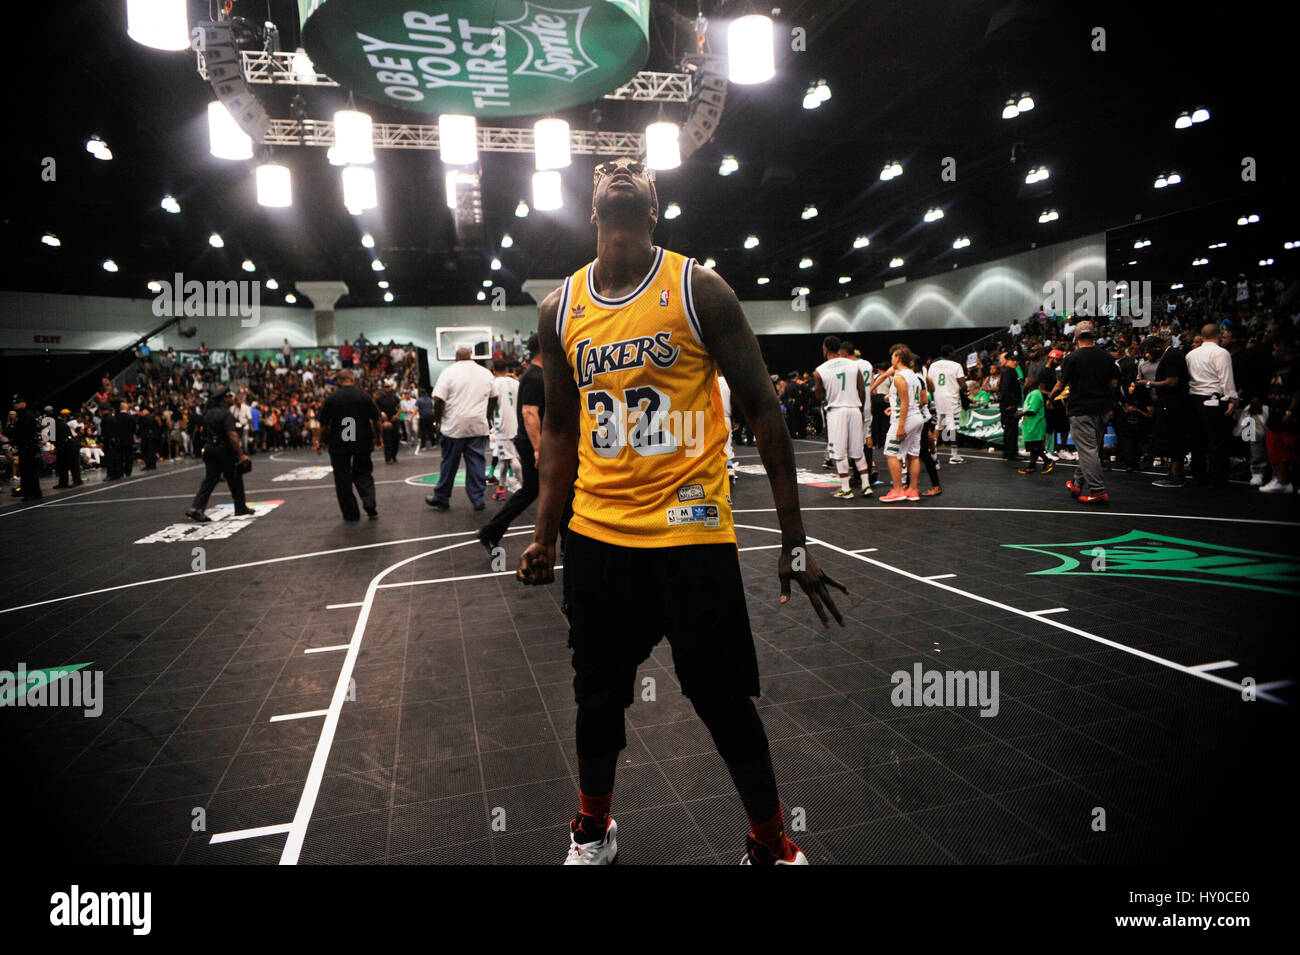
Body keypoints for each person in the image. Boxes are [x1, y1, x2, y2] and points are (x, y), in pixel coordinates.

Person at [516, 155, 846, 866]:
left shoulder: (699, 288)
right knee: (596, 701)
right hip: (599, 540)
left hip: (691, 537)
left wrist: (794, 542)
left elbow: (764, 410)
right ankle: (593, 828)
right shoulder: (559, 310)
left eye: (636, 167)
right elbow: (562, 434)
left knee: (725, 701)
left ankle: (771, 843)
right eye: (607, 166)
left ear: (656, 206)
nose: (621, 168)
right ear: (592, 206)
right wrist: (544, 534)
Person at [479, 337, 545, 551]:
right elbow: (529, 412)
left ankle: (492, 530)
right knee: (532, 489)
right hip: (528, 439)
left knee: (541, 491)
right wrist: (538, 447)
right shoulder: (533, 377)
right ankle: (491, 530)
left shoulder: (531, 376)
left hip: (520, 436)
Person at [1053, 322, 1117, 504]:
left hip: (1081, 410)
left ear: (1076, 336)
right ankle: (1076, 482)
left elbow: (1061, 385)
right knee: (1091, 450)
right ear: (1094, 336)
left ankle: (1098, 491)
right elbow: (1113, 384)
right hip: (1101, 410)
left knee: (1088, 451)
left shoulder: (1072, 358)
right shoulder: (1106, 357)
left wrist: (1051, 398)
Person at [425, 347, 496, 512]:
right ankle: (477, 499)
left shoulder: (449, 372)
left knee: (449, 463)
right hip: (478, 424)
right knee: (477, 462)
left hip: (454, 425)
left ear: (456, 358)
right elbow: (494, 396)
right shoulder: (485, 372)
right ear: (471, 356)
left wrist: (438, 422)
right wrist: (486, 415)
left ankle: (442, 497)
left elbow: (439, 400)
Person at [315, 368, 381, 521]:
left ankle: (351, 513)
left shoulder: (331, 399)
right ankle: (369, 502)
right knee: (364, 472)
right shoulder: (363, 396)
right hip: (361, 441)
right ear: (352, 379)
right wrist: (379, 437)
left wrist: (319, 441)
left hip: (339, 444)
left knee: (342, 478)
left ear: (338, 381)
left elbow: (323, 423)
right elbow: (376, 418)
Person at [813, 336, 870, 499]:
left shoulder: (820, 370)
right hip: (854, 408)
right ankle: (866, 485)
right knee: (858, 449)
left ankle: (846, 489)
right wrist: (861, 409)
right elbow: (862, 389)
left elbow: (819, 395)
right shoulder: (854, 365)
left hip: (836, 411)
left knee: (839, 452)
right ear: (839, 348)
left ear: (825, 349)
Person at [185, 386, 253, 521]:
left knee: (211, 479)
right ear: (223, 399)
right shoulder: (226, 414)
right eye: (229, 396)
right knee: (235, 477)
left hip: (209, 449)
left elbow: (202, 433)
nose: (232, 398)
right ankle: (240, 507)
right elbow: (232, 435)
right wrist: (241, 454)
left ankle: (196, 508)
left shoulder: (208, 414)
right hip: (224, 450)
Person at [1184, 323, 1238, 487]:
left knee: (1198, 439)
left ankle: (1198, 475)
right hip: (1213, 399)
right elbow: (1225, 377)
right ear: (1219, 335)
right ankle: (1217, 477)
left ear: (1202, 336)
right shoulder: (1221, 353)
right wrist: (1232, 398)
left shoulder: (1191, 355)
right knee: (1217, 439)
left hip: (1194, 399)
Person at [879, 346, 926, 503]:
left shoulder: (899, 377)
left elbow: (905, 402)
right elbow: (913, 400)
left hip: (905, 419)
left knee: (890, 453)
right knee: (913, 454)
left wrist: (900, 425)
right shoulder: (914, 375)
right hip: (916, 417)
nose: (891, 359)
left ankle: (898, 490)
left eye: (893, 356)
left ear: (898, 357)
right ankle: (913, 490)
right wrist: (892, 407)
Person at [1261, 332, 1298, 493]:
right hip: (1275, 411)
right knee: (1275, 449)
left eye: (1276, 349)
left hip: (1290, 413)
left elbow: (1298, 391)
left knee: (1294, 449)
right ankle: (1282, 482)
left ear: (1285, 349)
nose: (1273, 352)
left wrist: (1290, 411)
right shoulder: (1277, 366)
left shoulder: (1296, 366)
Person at [488, 360, 521, 502]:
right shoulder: (516, 383)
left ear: (494, 370)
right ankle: (501, 488)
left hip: (502, 426)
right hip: (517, 425)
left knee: (510, 459)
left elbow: (490, 404)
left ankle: (525, 487)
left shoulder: (493, 384)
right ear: (507, 368)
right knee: (505, 459)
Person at [928, 345, 966, 463]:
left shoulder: (933, 365)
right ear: (950, 353)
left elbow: (928, 381)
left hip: (938, 397)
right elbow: (963, 385)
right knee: (952, 427)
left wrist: (934, 392)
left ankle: (933, 454)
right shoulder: (956, 366)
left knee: (938, 425)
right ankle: (954, 456)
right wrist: (961, 390)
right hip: (951, 398)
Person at [1017, 377, 1052, 474]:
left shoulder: (1035, 394)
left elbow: (1032, 410)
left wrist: (1019, 414)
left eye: (1027, 381)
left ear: (1031, 384)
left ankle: (1048, 461)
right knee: (1033, 448)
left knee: (1035, 447)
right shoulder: (1032, 394)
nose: (1025, 382)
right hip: (1031, 424)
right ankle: (1032, 466)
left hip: (1035, 424)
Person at [11, 395, 42, 499]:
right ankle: (31, 492)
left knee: (29, 471)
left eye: (18, 403)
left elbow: (27, 433)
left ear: (24, 403)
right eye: (15, 403)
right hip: (25, 447)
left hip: (28, 447)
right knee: (27, 471)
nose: (15, 404)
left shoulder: (26, 415)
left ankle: (31, 493)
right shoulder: (21, 415)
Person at [998, 351, 1022, 461]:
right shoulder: (1008, 372)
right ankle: (1010, 453)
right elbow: (1005, 390)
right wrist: (1011, 403)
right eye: (1014, 360)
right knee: (1010, 430)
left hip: (1010, 404)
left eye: (1017, 361)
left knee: (1011, 430)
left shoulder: (1011, 371)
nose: (1016, 363)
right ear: (1009, 360)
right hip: (1009, 405)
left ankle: (1009, 452)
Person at [53, 409, 83, 487]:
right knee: (73, 465)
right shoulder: (63, 424)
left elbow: (52, 438)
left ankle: (64, 482)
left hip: (64, 447)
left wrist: (56, 447)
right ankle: (76, 480)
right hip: (69, 446)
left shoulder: (54, 425)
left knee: (63, 466)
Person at [375, 379, 402, 464]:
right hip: (385, 422)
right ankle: (388, 458)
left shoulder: (394, 397)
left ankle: (394, 456)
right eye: (385, 387)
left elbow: (400, 408)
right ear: (383, 388)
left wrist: (396, 415)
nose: (387, 388)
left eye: (388, 387)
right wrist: (381, 414)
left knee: (396, 440)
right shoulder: (379, 399)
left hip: (394, 420)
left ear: (390, 388)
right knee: (388, 441)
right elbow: (376, 409)